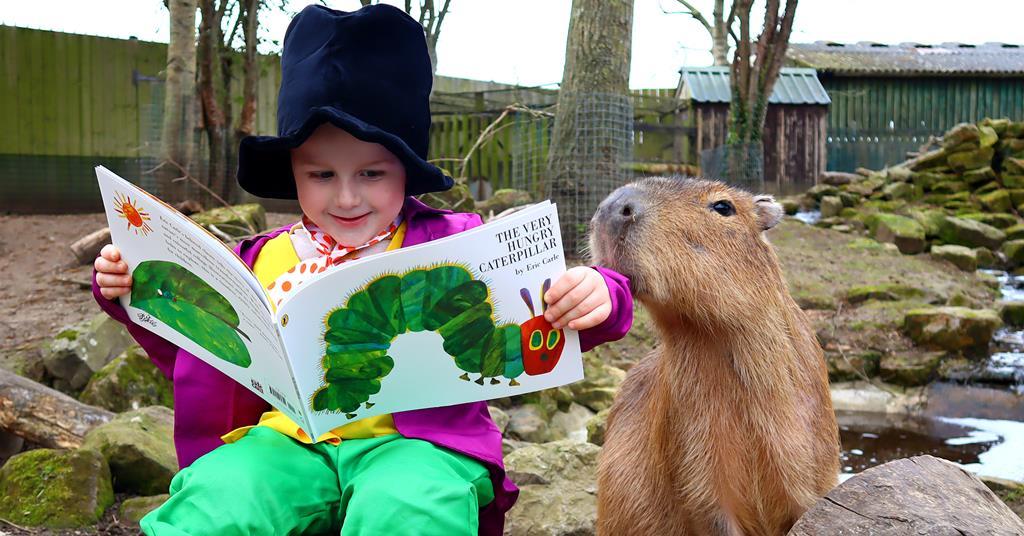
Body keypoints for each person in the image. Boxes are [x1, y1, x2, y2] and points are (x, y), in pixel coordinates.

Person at [93, 4, 632, 535]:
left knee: (410, 506)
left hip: (415, 447)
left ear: (405, 170)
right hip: (285, 444)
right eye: (322, 174)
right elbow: (206, 353)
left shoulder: (455, 243)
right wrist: (131, 293)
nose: (347, 197)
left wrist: (597, 293)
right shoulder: (259, 257)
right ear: (294, 174)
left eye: (371, 173)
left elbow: (546, 302)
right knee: (220, 497)